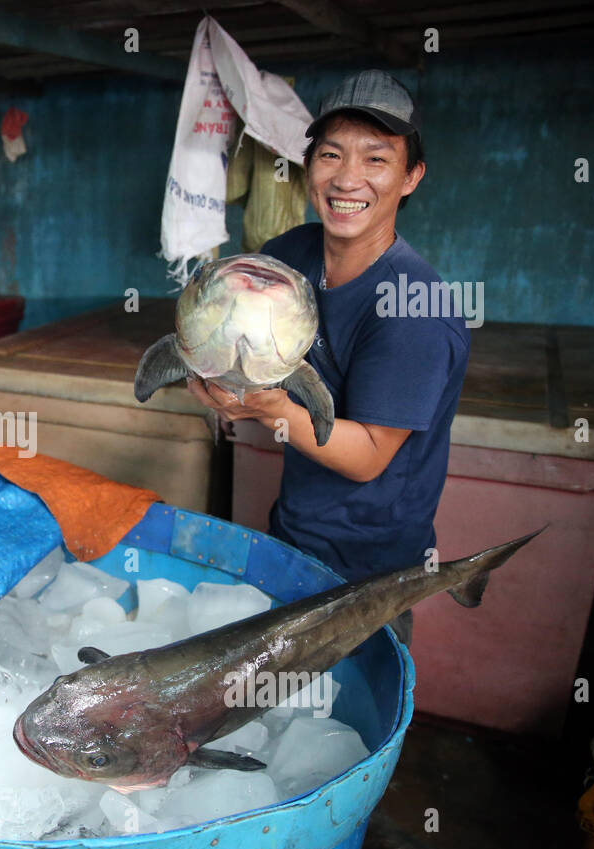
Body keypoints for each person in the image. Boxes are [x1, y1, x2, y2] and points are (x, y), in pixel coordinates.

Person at [188, 70, 470, 647]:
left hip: (370, 570)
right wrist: (213, 372)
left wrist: (267, 408)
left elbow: (369, 457)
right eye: (331, 154)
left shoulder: (414, 309)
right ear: (308, 165)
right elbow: (235, 329)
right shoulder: (288, 254)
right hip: (292, 531)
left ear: (411, 177)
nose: (347, 178)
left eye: (376, 160)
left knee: (343, 724)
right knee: (271, 715)